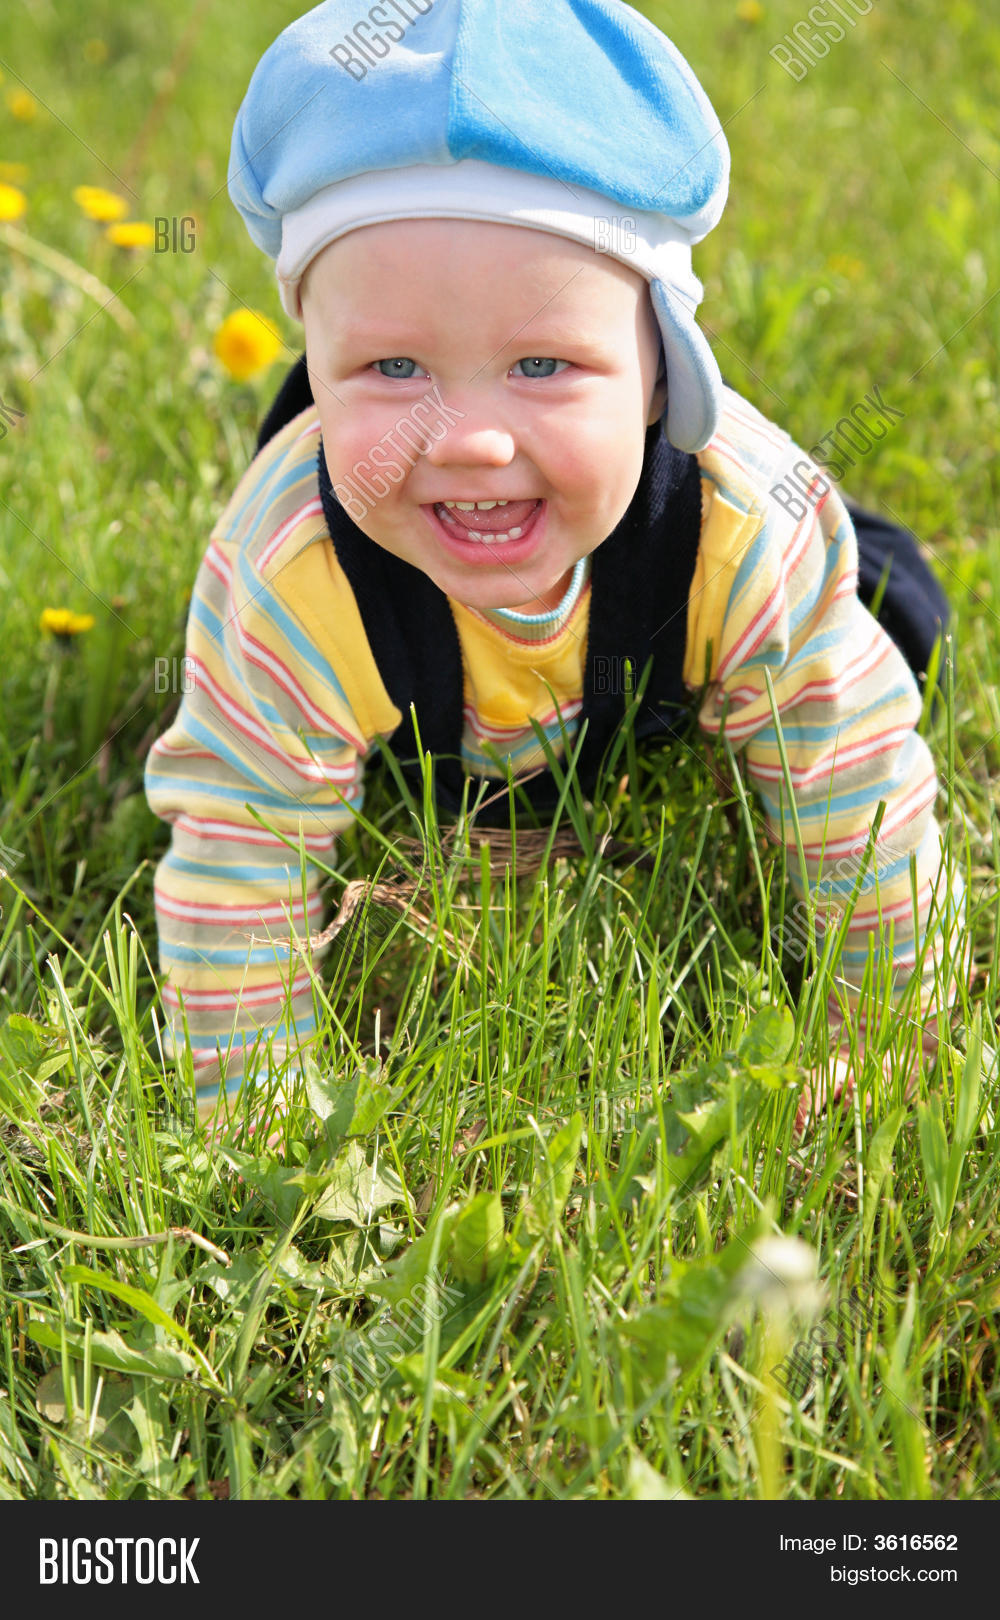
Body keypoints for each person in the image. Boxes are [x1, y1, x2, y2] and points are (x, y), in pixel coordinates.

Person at [144, 0, 964, 1130]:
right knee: (349, 727)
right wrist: (257, 1122)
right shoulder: (293, 579)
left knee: (888, 629)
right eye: (390, 367)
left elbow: (857, 791)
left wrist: (884, 1046)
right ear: (314, 366)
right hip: (430, 706)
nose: (468, 438)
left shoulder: (742, 539)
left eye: (542, 362)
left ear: (663, 376)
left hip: (672, 642)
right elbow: (239, 843)